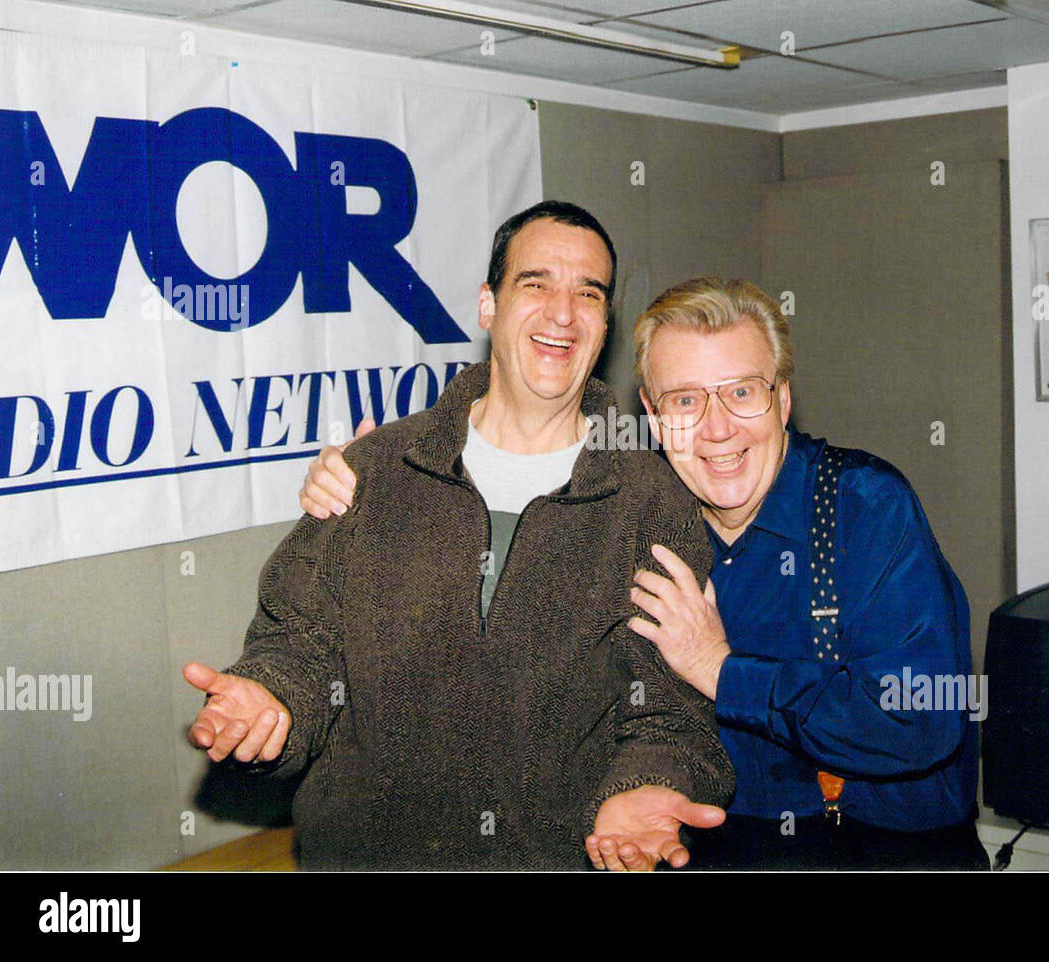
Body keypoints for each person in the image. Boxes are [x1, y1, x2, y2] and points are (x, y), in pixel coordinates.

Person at [302, 276, 988, 871]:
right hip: (701, 840)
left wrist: (720, 670)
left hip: (877, 846)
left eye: (742, 392)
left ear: (781, 400)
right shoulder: (633, 512)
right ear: (655, 419)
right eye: (686, 401)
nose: (717, 429)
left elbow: (918, 721)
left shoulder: (865, 508)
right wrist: (375, 479)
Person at [183, 201, 735, 870]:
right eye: (536, 283)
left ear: (604, 323)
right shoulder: (373, 469)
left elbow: (671, 714)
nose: (564, 312)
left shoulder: (650, 502)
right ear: (487, 305)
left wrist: (640, 788)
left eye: (588, 293)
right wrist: (270, 702)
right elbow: (300, 649)